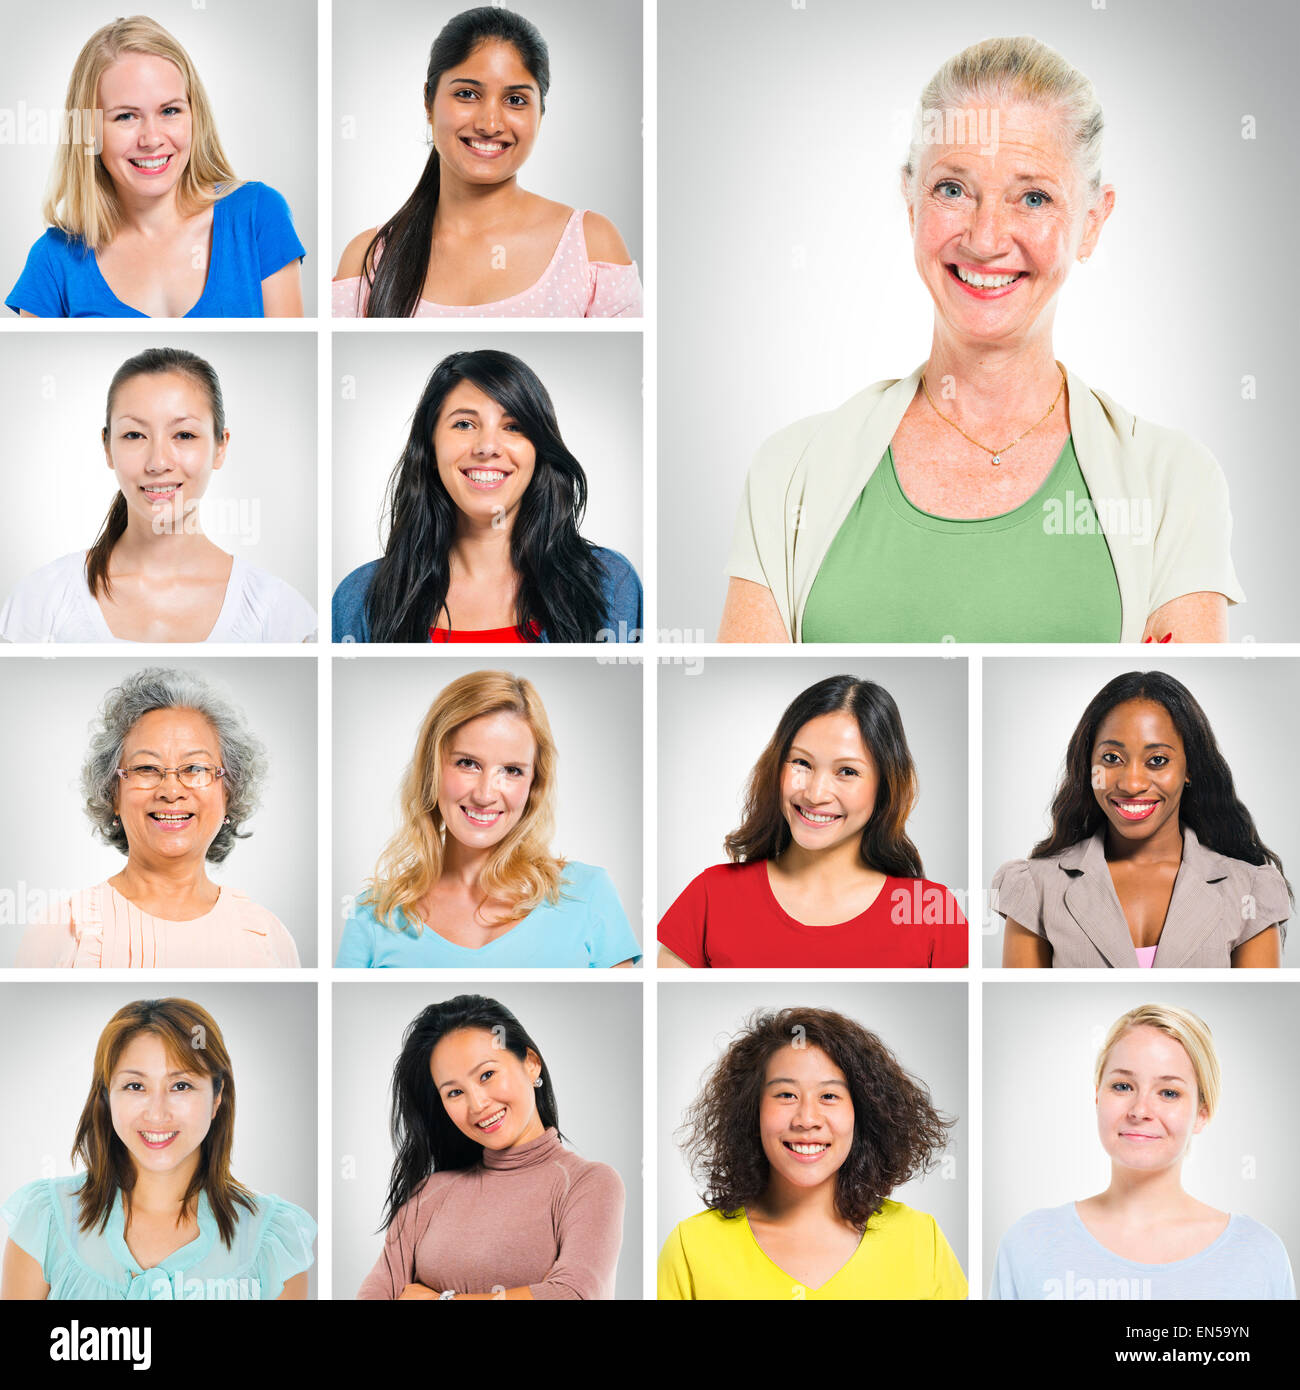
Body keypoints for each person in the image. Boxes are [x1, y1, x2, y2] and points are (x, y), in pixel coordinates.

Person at [719, 36, 1240, 644]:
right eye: (953, 189)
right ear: (911, 204)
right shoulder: (789, 472)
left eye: (1034, 197)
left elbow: (1167, 708)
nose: (987, 237)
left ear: (1092, 223)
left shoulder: (1173, 484)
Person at [333, 6, 640, 318]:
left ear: (540, 114)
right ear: (429, 102)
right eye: (467, 94)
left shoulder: (590, 245)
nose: (490, 124)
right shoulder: (368, 259)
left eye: (516, 100)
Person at [0, 997, 316, 1299]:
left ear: (217, 1098)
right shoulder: (44, 1221)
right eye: (135, 1086)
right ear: (107, 1096)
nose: (157, 1113)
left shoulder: (274, 1242)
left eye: (181, 1086)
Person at [0, 347, 317, 642]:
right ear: (108, 448)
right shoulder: (40, 601)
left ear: (220, 447)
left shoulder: (277, 612)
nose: (158, 462)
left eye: (184, 434)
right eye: (134, 434)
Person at [331, 349, 641, 643]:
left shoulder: (611, 583)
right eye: (464, 424)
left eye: (513, 426)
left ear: (538, 449)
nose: (487, 446)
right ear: (431, 446)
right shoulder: (359, 597)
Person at [658, 1006, 965, 1300]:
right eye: (786, 1095)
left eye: (829, 1095)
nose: (807, 1119)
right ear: (752, 1111)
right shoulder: (691, 1249)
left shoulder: (922, 1241)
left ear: (863, 1113)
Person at [658, 675, 966, 967]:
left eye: (847, 771)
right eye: (801, 763)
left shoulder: (930, 910)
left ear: (885, 786)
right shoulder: (710, 897)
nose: (816, 793)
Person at [6, 16, 304, 318]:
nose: (152, 139)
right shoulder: (52, 261)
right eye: (126, 116)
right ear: (88, 130)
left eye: (170, 110)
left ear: (194, 115)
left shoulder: (257, 215)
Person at [337, 670, 639, 967]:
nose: (485, 794)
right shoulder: (371, 916)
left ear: (534, 783)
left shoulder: (589, 894)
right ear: (432, 770)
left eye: (511, 770)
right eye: (467, 763)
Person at [991, 1003, 1294, 1299]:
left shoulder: (1259, 1254)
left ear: (1203, 1112)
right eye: (1123, 1086)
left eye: (1169, 1092)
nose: (1140, 1110)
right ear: (1097, 1096)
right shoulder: (1028, 1244)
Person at [993, 671, 1289, 968]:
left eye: (1157, 760)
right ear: (1088, 765)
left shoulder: (1250, 890)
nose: (1132, 784)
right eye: (1111, 758)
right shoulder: (1035, 888)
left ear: (1189, 769)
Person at [15, 667, 299, 968]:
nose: (171, 790)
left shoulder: (270, 939)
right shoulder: (60, 932)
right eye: (146, 769)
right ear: (113, 794)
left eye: (195, 769)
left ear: (229, 792)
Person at [357, 995, 625, 1299]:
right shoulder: (427, 1194)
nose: (478, 1104)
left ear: (531, 1064)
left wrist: (440, 1298)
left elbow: (574, 1294)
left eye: (487, 1075)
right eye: (455, 1092)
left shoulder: (587, 1183)